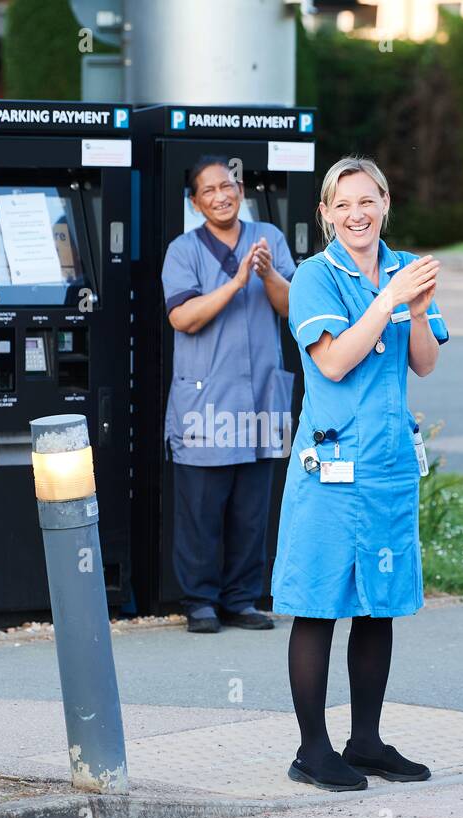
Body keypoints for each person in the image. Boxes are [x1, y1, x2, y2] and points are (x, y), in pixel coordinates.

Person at [271, 156, 449, 792]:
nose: (356, 215)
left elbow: (424, 364)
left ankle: (366, 741)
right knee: (319, 604)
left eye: (366, 201)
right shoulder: (314, 279)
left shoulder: (405, 271)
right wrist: (388, 300)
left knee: (379, 607)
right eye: (342, 204)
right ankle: (311, 750)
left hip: (389, 465)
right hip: (332, 464)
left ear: (385, 202)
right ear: (324, 215)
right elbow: (337, 362)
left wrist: (421, 308)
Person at [161, 155, 297, 633]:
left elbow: (290, 308)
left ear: (240, 190)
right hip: (205, 403)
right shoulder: (184, 251)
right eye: (209, 190)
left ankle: (243, 599)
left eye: (228, 185)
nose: (221, 195)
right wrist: (237, 282)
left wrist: (266, 275)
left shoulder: (269, 239)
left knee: (251, 508)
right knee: (202, 508)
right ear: (195, 203)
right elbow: (183, 317)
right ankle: (200, 601)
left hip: (261, 396)